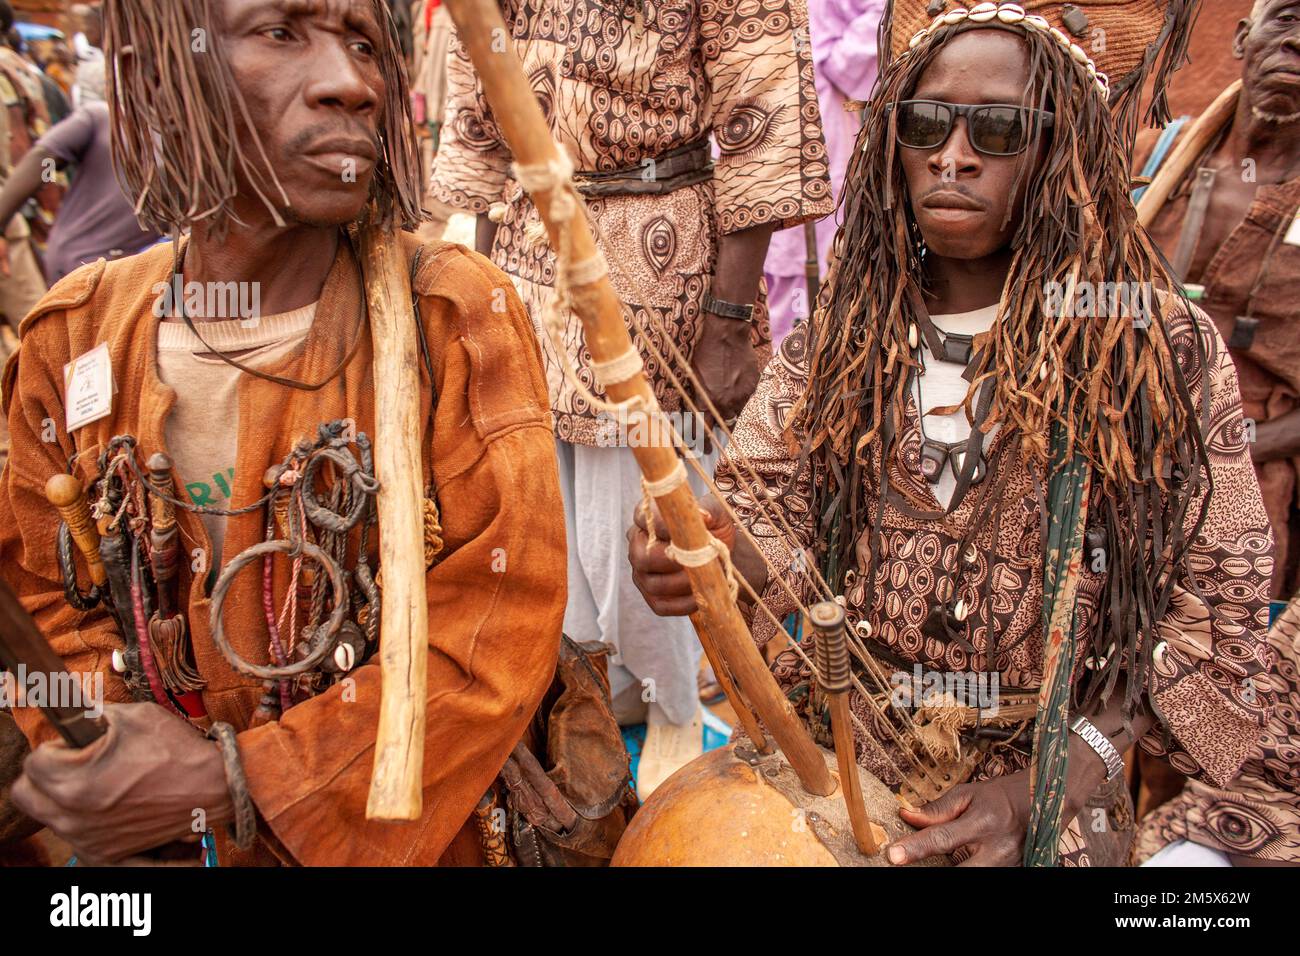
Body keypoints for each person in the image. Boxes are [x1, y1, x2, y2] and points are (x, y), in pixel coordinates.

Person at [629, 0, 1276, 866]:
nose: (953, 154)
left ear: (1066, 153)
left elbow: (1210, 620)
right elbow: (766, 520)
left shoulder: (1152, 347)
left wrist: (1041, 790)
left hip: (1049, 806)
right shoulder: (844, 336)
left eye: (999, 130)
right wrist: (708, 552)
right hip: (847, 775)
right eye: (925, 123)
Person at [0, 0, 566, 867]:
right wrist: (102, 759)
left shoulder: (452, 316)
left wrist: (241, 782)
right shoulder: (71, 337)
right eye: (279, 32)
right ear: (163, 71)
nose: (353, 85)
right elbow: (47, 601)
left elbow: (495, 630)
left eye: (366, 45)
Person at [430, 0, 832, 799]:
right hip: (526, 254)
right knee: (543, 507)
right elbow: (478, 111)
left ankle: (676, 704)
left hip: (662, 261)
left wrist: (724, 322)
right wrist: (474, 302)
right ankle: (593, 698)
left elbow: (761, 112)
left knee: (651, 523)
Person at [1134, 0, 1300, 602]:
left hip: (1250, 493)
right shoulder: (1146, 164)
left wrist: (1229, 444)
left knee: (1216, 674)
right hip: (1112, 465)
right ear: (1241, 37)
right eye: (1286, 18)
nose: (1296, 42)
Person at [764, 0, 887, 346]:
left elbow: (883, 11)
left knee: (812, 265)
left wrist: (837, 62)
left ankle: (800, 377)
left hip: (813, 117)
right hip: (748, 124)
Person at [0, 94, 160, 283]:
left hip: (78, 264)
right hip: (115, 273)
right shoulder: (192, 146)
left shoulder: (102, 118)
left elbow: (46, 159)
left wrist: (46, 180)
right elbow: (47, 161)